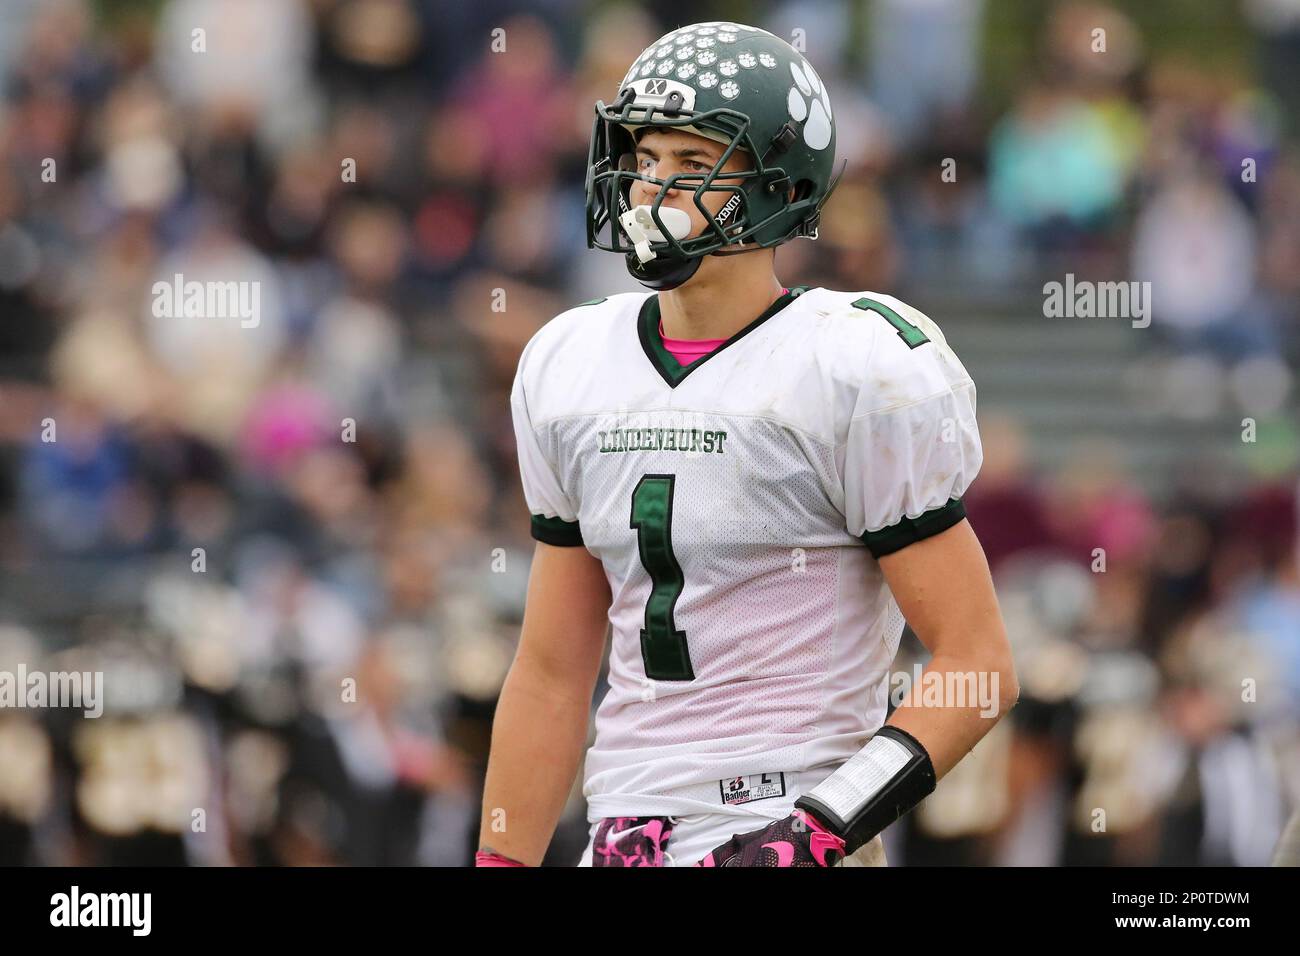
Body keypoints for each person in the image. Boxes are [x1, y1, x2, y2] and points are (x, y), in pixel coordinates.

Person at [477, 20, 1018, 868]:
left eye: (693, 166)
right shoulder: (569, 362)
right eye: (644, 160)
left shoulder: (853, 366)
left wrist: (815, 833)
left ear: (776, 184)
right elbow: (550, 671)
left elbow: (978, 664)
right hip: (625, 834)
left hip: (796, 821)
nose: (653, 190)